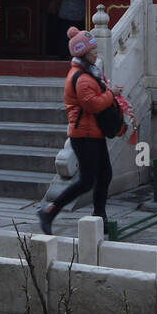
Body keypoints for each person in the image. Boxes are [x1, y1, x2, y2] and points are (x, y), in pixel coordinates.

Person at [38, 26, 118, 234]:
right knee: (85, 181)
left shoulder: (89, 72)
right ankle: (50, 211)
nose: (96, 53)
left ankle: (100, 217)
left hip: (94, 133)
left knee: (105, 175)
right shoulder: (81, 78)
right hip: (83, 136)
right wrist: (111, 94)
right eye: (92, 50)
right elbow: (93, 105)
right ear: (83, 52)